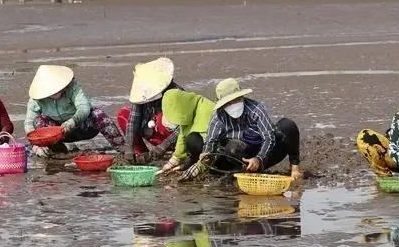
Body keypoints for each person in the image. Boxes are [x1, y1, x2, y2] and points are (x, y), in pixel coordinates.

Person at [163, 78, 301, 180]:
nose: (233, 104)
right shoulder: (218, 117)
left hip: (264, 154)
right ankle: (238, 174)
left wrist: (258, 158)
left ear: (241, 97)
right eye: (228, 102)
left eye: (236, 100)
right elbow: (211, 141)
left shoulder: (255, 109)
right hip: (236, 156)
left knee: (287, 126)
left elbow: (268, 137)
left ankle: (295, 166)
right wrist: (204, 157)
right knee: (197, 140)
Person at [25, 65, 124, 156]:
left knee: (98, 114)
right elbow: (29, 123)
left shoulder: (73, 87)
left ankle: (123, 148)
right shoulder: (37, 98)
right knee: (39, 121)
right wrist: (35, 144)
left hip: (83, 126)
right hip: (58, 133)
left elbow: (84, 108)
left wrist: (73, 121)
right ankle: (59, 152)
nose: (55, 91)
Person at [116, 57, 181, 162]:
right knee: (124, 115)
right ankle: (142, 153)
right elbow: (133, 120)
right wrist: (129, 146)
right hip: (151, 131)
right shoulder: (141, 93)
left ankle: (169, 151)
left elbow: (183, 127)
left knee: (161, 119)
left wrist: (164, 145)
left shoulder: (176, 94)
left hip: (173, 138)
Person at [155, 89, 215, 172]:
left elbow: (210, 144)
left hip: (216, 149)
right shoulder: (187, 111)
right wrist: (174, 160)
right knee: (190, 140)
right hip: (205, 148)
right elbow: (182, 136)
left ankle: (207, 166)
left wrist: (197, 168)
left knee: (193, 140)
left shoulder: (205, 110)